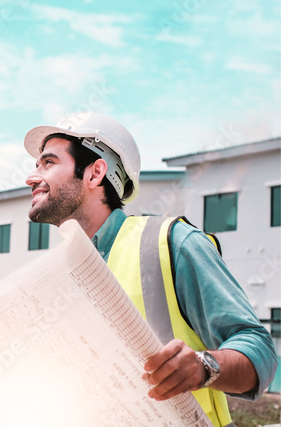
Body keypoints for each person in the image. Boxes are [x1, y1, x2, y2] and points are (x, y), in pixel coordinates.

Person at [23, 112, 277, 426]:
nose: (32, 177)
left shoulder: (172, 243)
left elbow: (259, 351)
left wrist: (203, 367)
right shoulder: (59, 273)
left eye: (48, 163)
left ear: (94, 173)